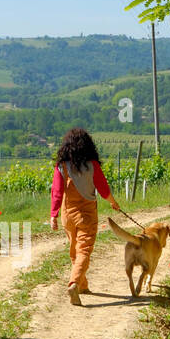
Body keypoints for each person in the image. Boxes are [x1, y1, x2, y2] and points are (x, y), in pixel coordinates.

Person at [50, 127, 121, 305]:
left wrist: (53, 215)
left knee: (75, 249)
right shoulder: (92, 165)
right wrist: (113, 202)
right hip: (87, 214)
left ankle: (82, 285)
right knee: (84, 250)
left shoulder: (61, 167)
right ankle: (74, 283)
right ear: (88, 146)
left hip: (68, 215)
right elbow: (103, 189)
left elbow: (57, 192)